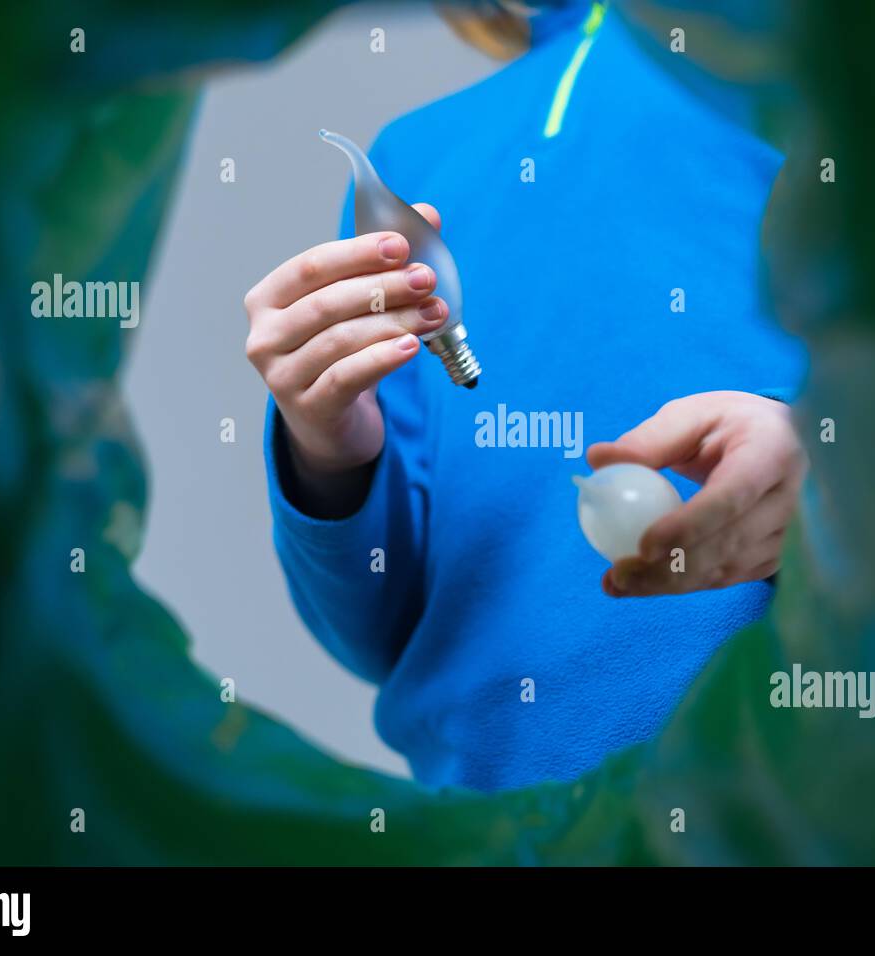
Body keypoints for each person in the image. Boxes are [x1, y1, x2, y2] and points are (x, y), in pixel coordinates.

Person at [244, 0, 806, 791]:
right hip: (489, 821)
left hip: (790, 791)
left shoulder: (821, 71)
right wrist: (328, 447)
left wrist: (828, 453)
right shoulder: (413, 157)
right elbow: (378, 627)